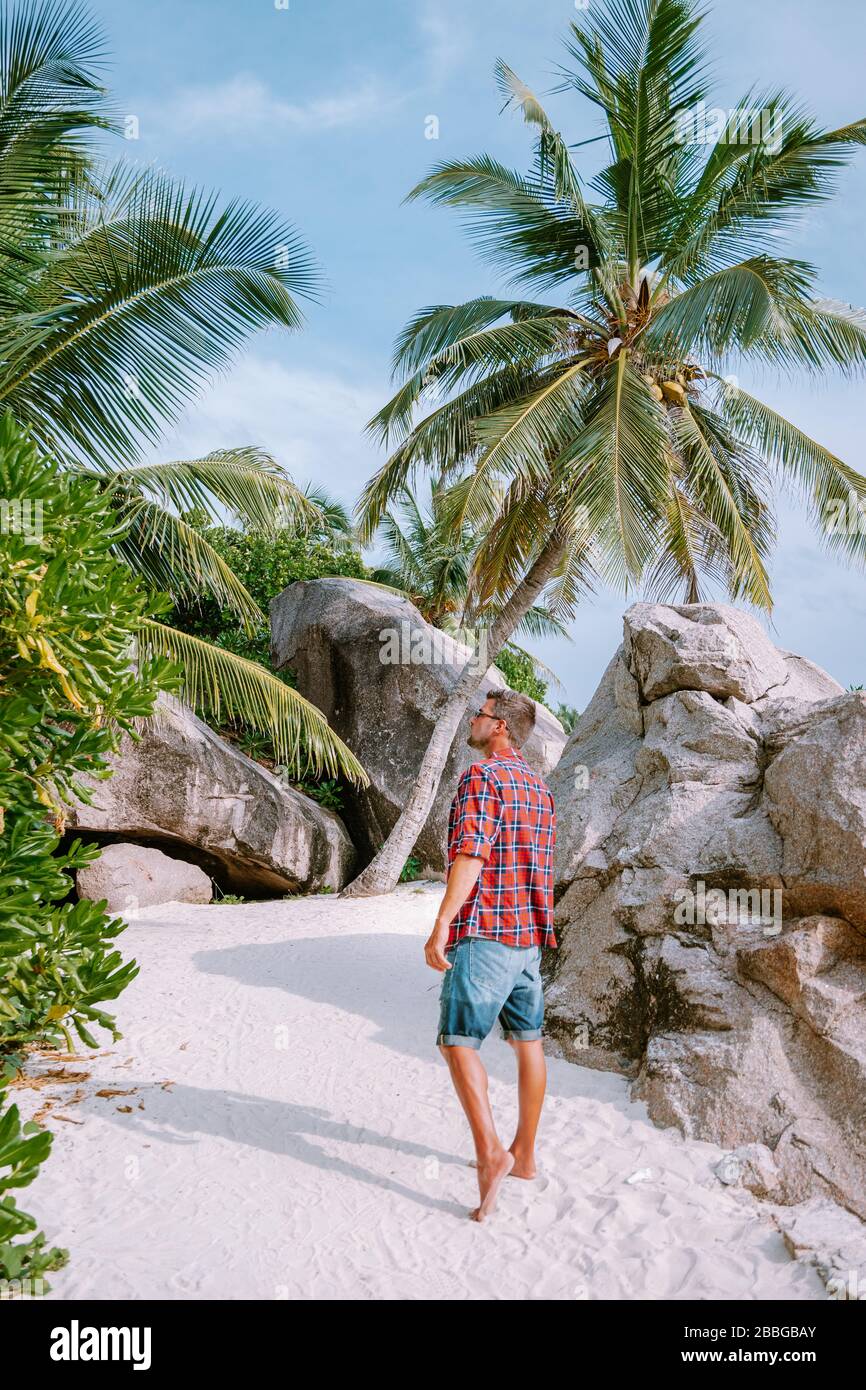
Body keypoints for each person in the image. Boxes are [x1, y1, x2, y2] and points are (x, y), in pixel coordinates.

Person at [424, 688, 557, 1221]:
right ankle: (525, 1154)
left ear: (498, 726)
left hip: (487, 931)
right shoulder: (539, 789)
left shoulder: (483, 777)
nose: (472, 722)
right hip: (529, 938)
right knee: (529, 1043)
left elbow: (471, 853)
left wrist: (441, 924)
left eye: (479, 715)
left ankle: (490, 1154)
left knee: (457, 1042)